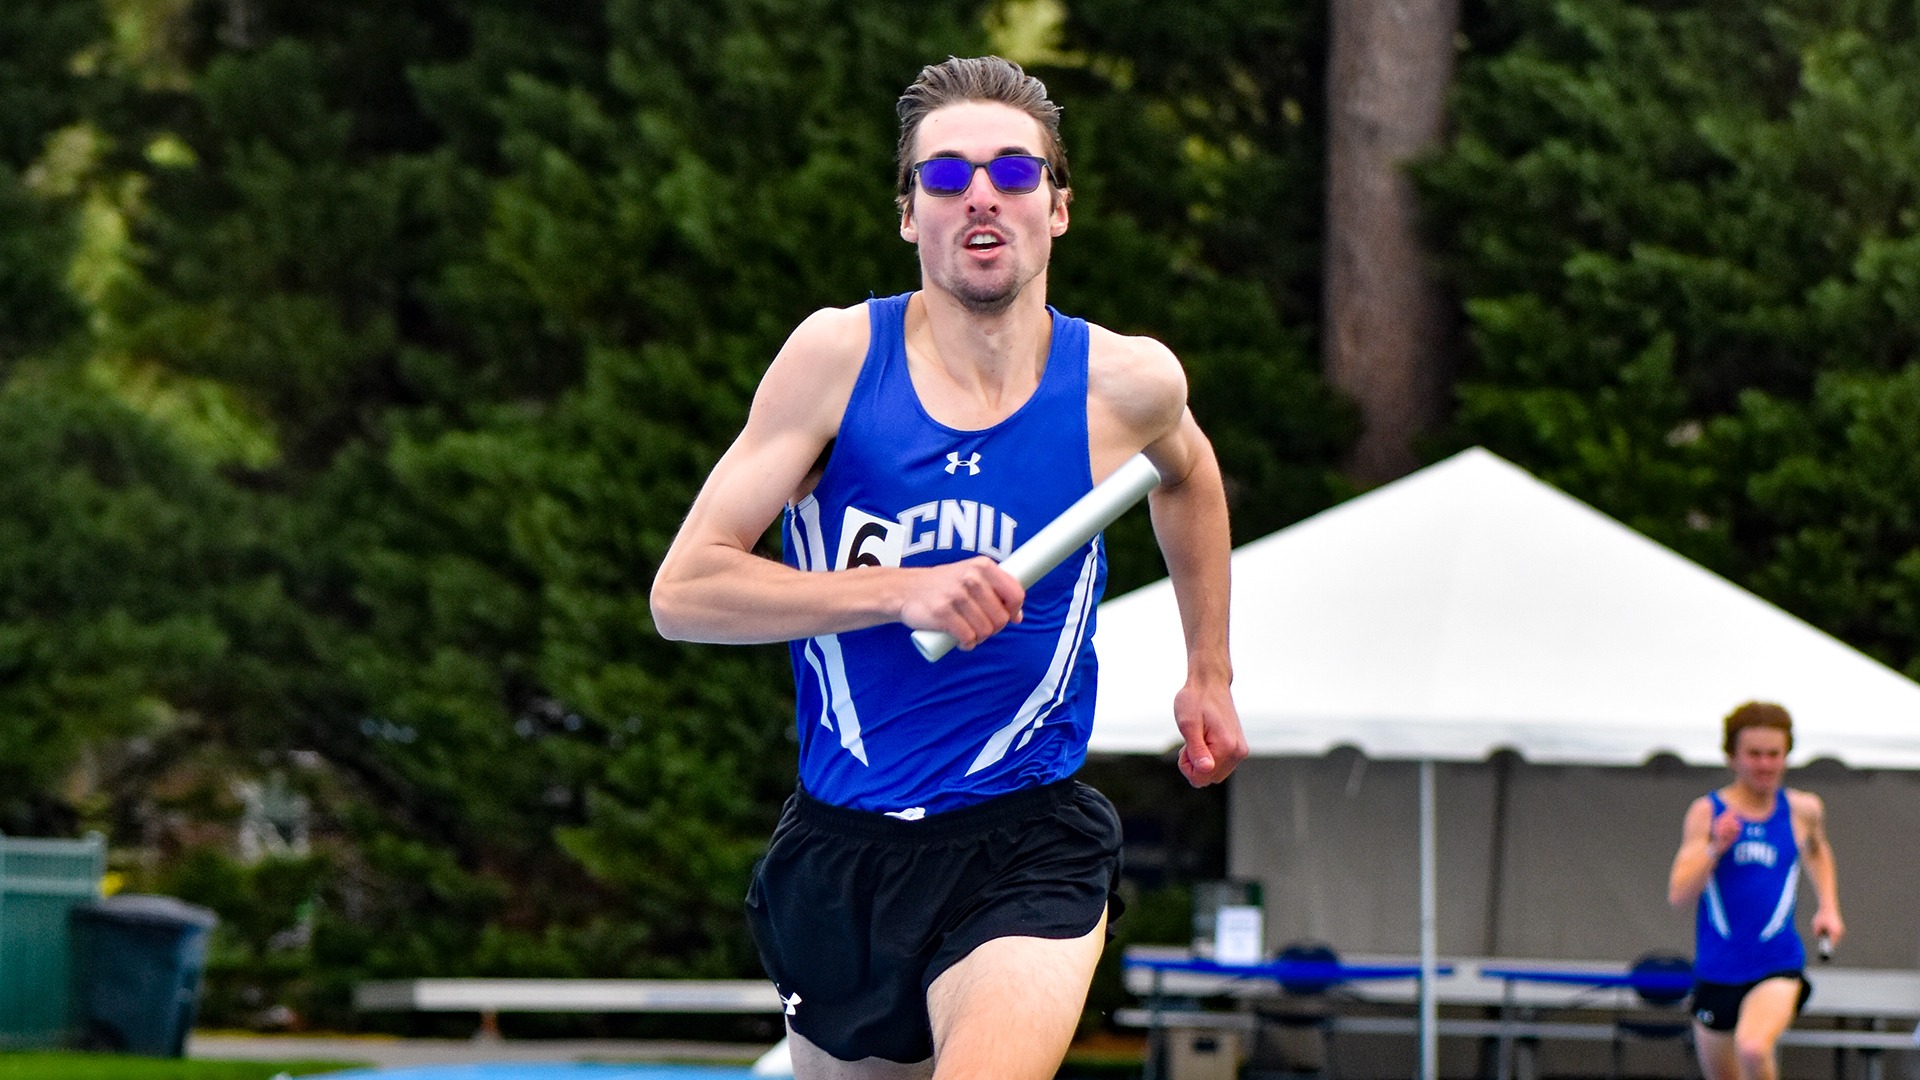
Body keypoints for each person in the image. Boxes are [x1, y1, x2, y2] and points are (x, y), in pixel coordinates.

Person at [650, 55, 1247, 1080]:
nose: (983, 194)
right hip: (844, 856)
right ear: (908, 213)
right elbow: (685, 591)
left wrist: (1211, 667)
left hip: (1025, 837)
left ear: (1056, 210)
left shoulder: (1127, 383)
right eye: (947, 175)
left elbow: (1187, 474)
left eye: (1016, 173)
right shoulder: (836, 361)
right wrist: (897, 589)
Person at [1667, 701, 1844, 1080]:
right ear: (1732, 757)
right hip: (1718, 969)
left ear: (1786, 756)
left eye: (1773, 754)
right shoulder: (1708, 813)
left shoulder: (1803, 810)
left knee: (1753, 1046)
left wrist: (1828, 906)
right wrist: (1715, 848)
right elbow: (1679, 895)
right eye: (1754, 754)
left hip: (1777, 963)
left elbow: (1818, 851)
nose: (1764, 765)